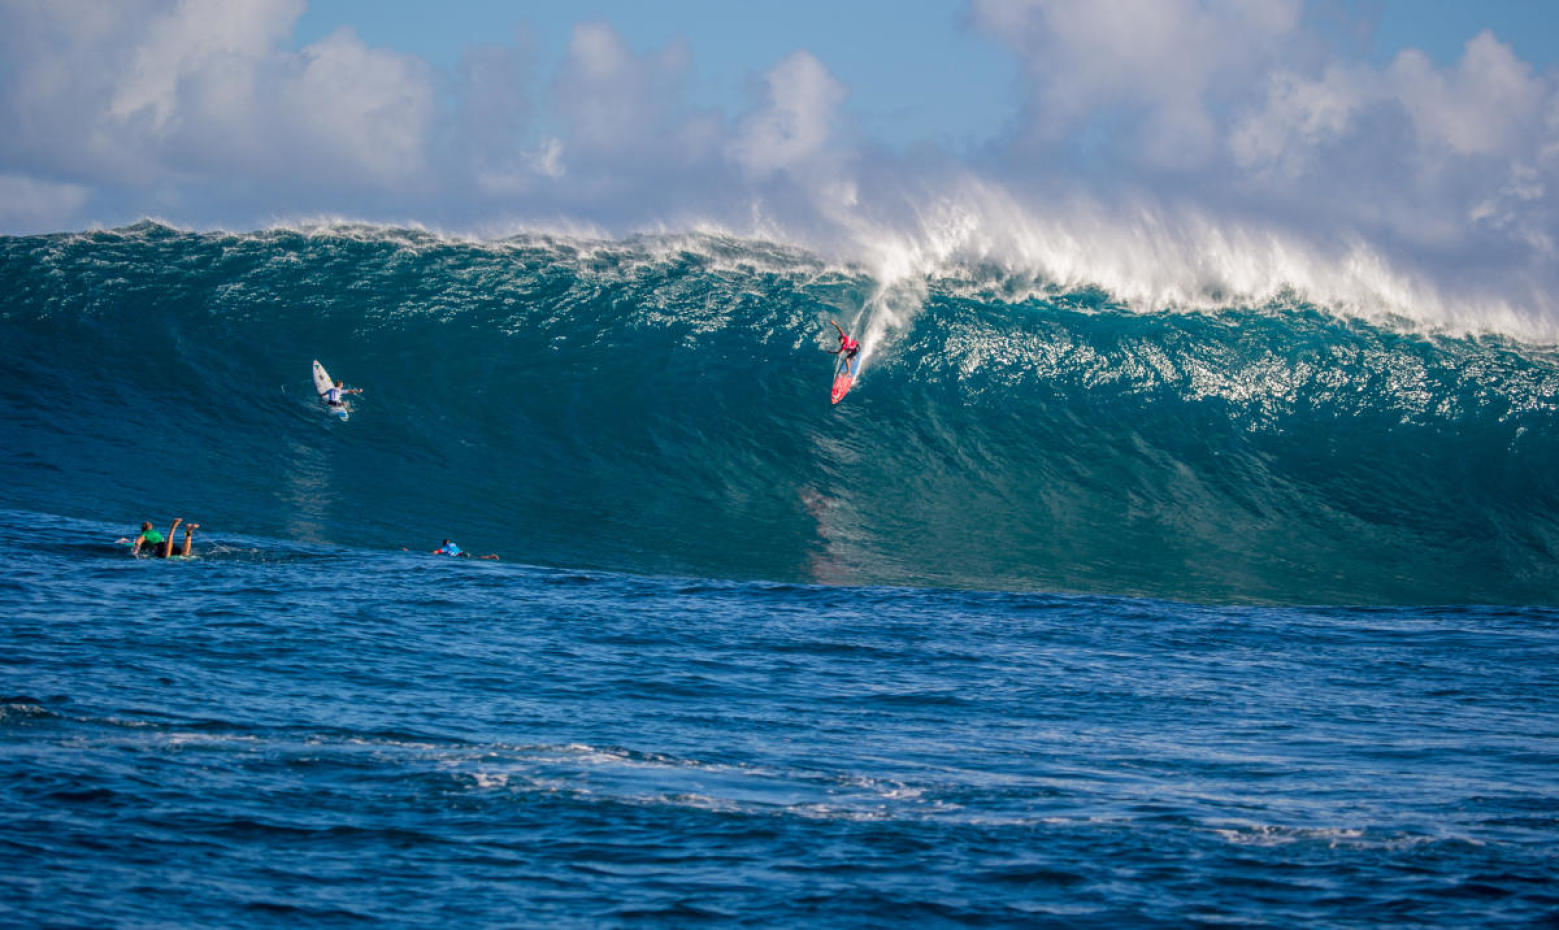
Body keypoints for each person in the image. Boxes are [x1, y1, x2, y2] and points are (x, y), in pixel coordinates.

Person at [122, 518, 198, 558]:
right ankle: (188, 532)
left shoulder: (144, 533)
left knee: (167, 556)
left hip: (160, 546)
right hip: (166, 544)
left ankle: (173, 527)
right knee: (185, 554)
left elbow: (138, 542)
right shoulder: (157, 533)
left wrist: (135, 552)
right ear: (151, 527)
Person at [430, 539, 499, 560]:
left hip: (460, 555)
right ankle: (490, 556)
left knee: (477, 558)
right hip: (463, 553)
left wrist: (430, 554)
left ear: (444, 544)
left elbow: (437, 551)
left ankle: (491, 556)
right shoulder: (453, 544)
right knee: (477, 557)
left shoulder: (445, 547)